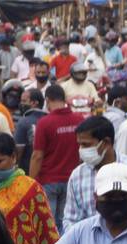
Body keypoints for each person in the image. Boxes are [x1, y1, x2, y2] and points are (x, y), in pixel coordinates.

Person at [62, 115, 127, 232]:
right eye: (80, 145)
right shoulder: (78, 176)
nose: (81, 150)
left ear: (106, 143)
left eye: (86, 145)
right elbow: (71, 220)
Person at [30, 84, 84, 225]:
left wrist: (30, 181)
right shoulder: (79, 120)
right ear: (64, 99)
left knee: (49, 225)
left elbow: (37, 156)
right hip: (72, 180)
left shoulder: (44, 123)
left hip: (49, 181)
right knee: (67, 223)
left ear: (47, 100)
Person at [14, 87, 46, 171]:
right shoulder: (51, 120)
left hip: (28, 171)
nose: (21, 104)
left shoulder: (23, 122)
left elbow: (18, 150)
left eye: (24, 101)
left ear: (34, 103)